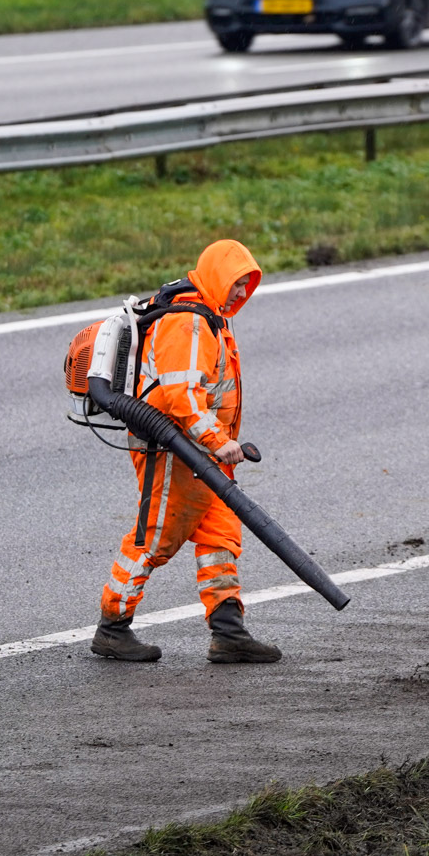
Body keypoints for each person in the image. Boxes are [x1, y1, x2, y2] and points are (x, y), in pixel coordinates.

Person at [91, 239, 282, 664]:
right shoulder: (190, 323)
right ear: (216, 276)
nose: (241, 292)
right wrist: (219, 441)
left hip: (199, 449)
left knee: (220, 533)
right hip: (171, 447)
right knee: (156, 536)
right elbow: (183, 396)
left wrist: (215, 444)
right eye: (236, 282)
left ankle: (228, 632)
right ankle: (112, 628)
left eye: (247, 284)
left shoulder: (210, 314)